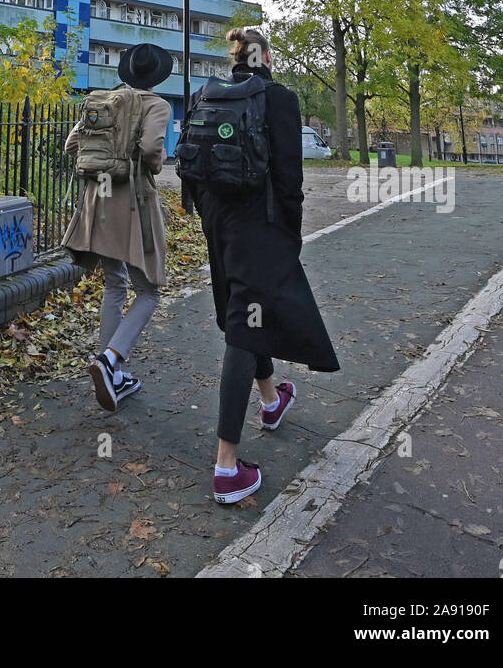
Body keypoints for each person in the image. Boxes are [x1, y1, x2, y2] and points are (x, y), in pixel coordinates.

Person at [177, 26, 340, 505]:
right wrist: (290, 232)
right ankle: (227, 467)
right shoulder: (279, 98)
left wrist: (203, 212)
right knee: (245, 325)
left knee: (245, 311)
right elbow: (290, 177)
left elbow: (187, 160)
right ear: (265, 55)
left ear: (235, 57)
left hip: (216, 221)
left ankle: (271, 401)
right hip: (260, 224)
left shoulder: (202, 92)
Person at [62, 43, 172, 413]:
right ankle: (110, 360)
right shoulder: (156, 105)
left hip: (97, 201)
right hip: (133, 202)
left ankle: (109, 368)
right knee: (150, 290)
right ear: (157, 76)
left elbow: (71, 143)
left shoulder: (106, 101)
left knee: (114, 284)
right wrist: (155, 164)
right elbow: (153, 148)